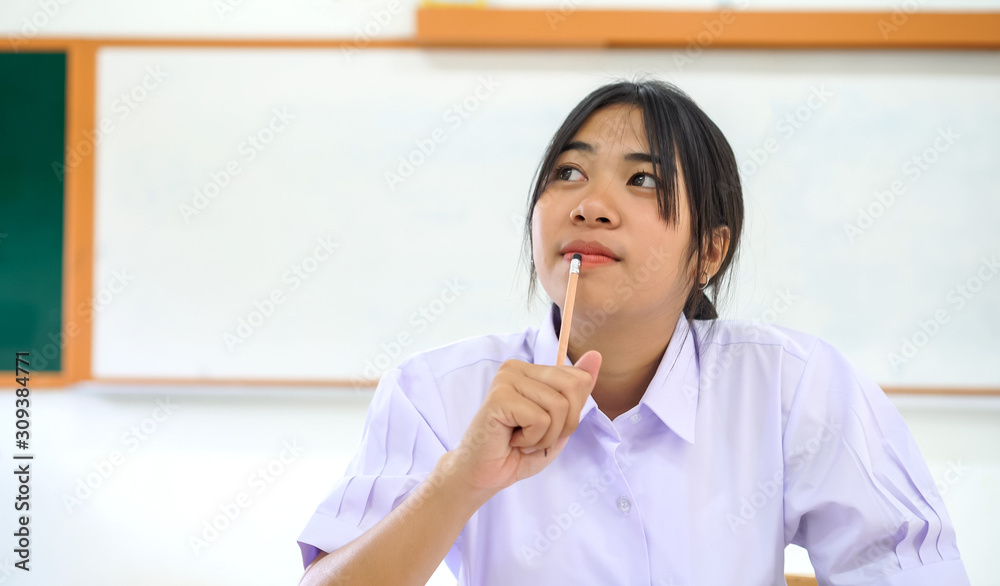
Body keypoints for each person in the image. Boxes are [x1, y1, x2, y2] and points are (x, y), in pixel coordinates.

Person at [296, 79, 970, 585]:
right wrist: (459, 482)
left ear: (709, 252)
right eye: (568, 173)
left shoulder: (792, 386)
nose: (590, 205)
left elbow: (912, 564)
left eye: (642, 179)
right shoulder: (436, 392)